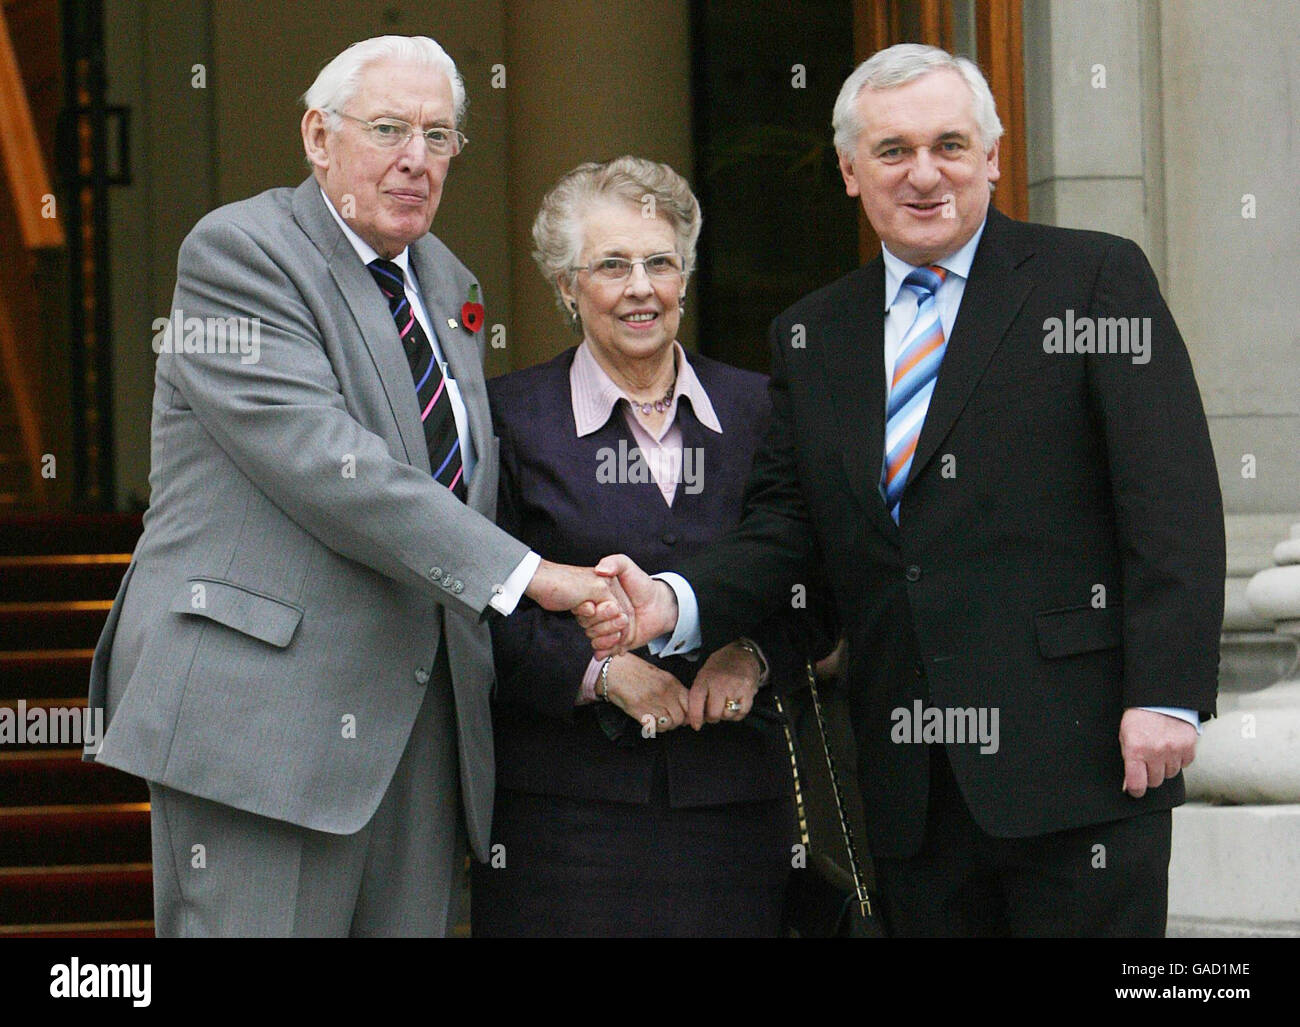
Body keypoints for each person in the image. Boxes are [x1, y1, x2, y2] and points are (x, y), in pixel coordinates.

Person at [581, 44, 1226, 937]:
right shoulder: (812, 334)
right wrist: (673, 602)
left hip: (1081, 762)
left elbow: (1172, 500)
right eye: (892, 151)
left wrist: (1167, 694)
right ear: (851, 171)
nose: (925, 175)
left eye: (950, 146)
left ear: (993, 159)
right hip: (912, 787)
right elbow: (788, 530)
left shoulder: (1093, 278)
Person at [86, 35, 627, 937]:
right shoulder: (240, 254)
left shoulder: (446, 282)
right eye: (388, 129)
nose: (417, 158)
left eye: (440, 136)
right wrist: (534, 575)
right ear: (317, 136)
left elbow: (458, 483)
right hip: (262, 727)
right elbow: (334, 468)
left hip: (418, 727)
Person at [470, 157, 826, 937]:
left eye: (660, 262)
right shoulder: (503, 416)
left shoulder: (763, 408)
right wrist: (599, 671)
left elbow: (818, 578)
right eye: (611, 265)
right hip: (564, 820)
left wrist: (753, 656)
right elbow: (473, 597)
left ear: (686, 277)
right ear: (567, 286)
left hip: (735, 813)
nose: (641, 287)